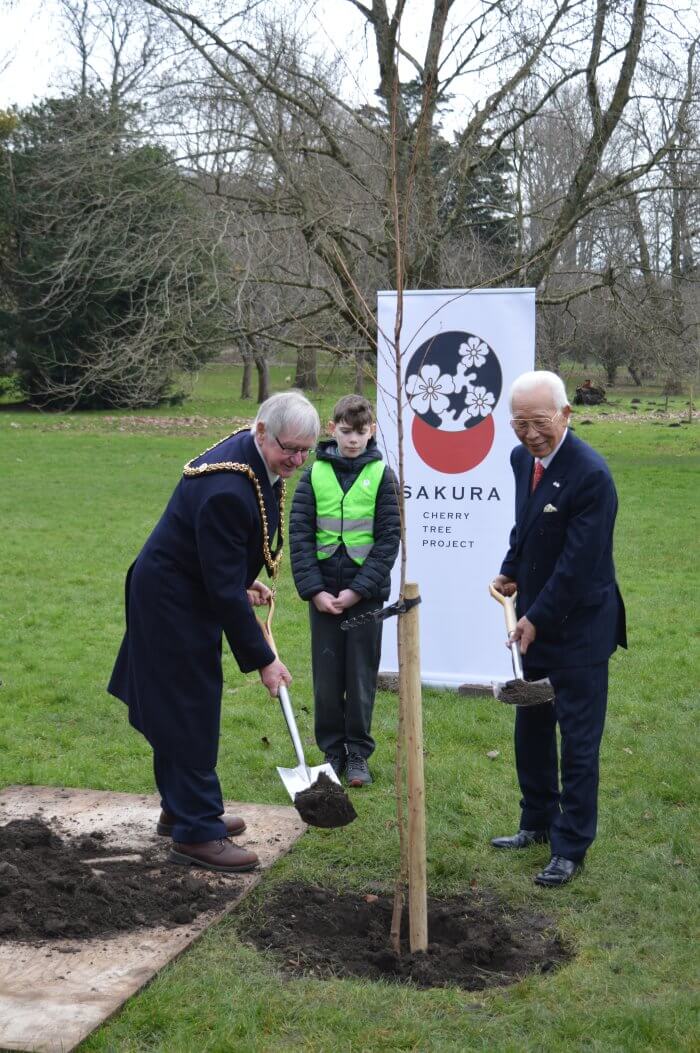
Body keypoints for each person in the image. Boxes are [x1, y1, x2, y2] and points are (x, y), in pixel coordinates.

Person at [108, 392, 320, 873]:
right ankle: (197, 832)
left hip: (182, 586)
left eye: (307, 450)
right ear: (262, 431)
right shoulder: (228, 485)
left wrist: (241, 577)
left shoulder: (250, 454)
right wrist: (265, 661)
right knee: (188, 707)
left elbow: (217, 554)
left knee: (183, 704)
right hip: (170, 602)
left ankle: (182, 809)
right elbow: (221, 592)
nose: (299, 460)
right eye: (291, 448)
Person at [491, 370, 626, 886]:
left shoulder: (592, 475)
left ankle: (571, 846)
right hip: (535, 624)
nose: (529, 433)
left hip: (581, 630)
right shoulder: (520, 459)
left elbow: (578, 565)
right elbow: (525, 525)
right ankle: (536, 823)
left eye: (539, 422)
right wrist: (510, 567)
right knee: (531, 729)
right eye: (519, 422)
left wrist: (534, 619)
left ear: (566, 414)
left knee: (578, 741)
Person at [289, 394, 400, 787]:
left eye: (361, 432)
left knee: (360, 675)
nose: (353, 440)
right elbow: (299, 536)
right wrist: (315, 591)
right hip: (323, 594)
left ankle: (358, 755)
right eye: (346, 431)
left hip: (364, 595)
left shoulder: (383, 476)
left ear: (372, 432)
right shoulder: (313, 474)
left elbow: (389, 540)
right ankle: (332, 753)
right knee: (327, 675)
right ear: (332, 429)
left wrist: (358, 591)